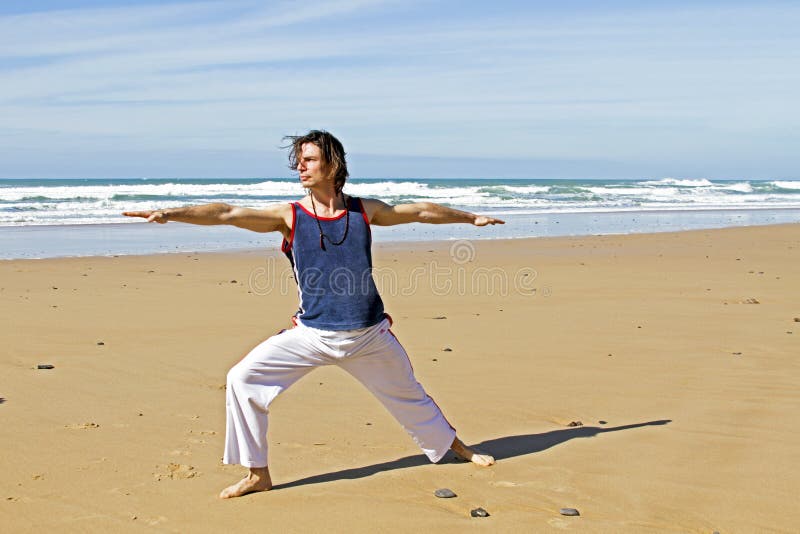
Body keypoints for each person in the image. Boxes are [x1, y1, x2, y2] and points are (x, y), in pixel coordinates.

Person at [123, 130, 505, 499]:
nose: (300, 168)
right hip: (312, 335)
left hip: (368, 336)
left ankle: (458, 447)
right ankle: (258, 474)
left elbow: (420, 210)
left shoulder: (363, 210)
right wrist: (170, 212)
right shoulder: (289, 216)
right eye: (299, 161)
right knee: (242, 379)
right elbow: (226, 213)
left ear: (332, 164)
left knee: (410, 397)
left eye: (309, 160)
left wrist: (470, 218)